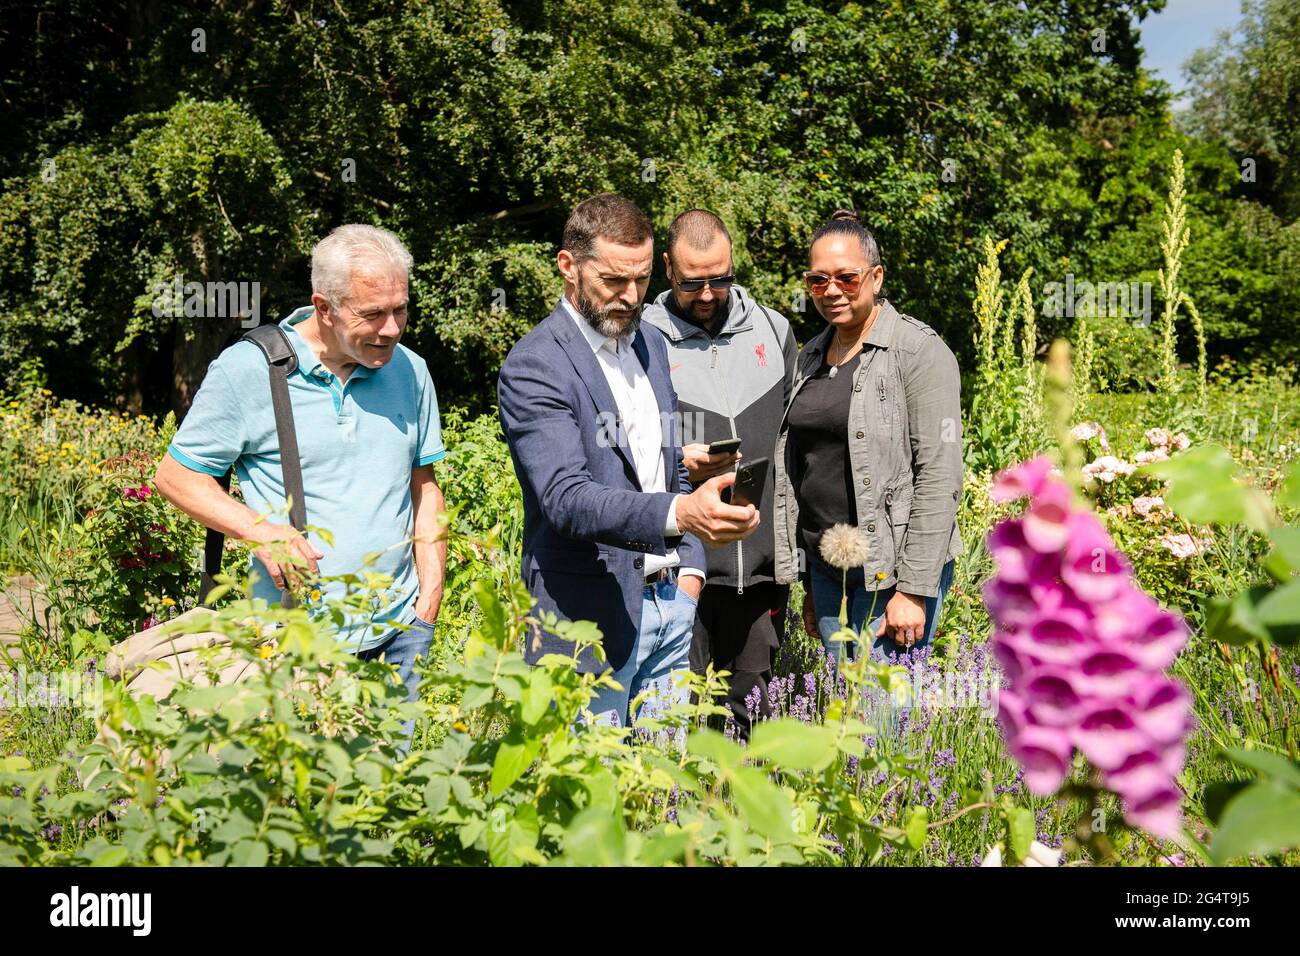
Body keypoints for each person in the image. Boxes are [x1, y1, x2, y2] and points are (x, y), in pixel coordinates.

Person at [154, 224, 447, 745]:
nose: (393, 328)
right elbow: (177, 476)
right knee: (300, 810)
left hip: (399, 633)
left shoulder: (410, 371)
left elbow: (423, 488)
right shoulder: (252, 371)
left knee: (388, 807)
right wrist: (260, 531)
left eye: (400, 309)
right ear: (324, 307)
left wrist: (428, 602)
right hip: (291, 641)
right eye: (373, 314)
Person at [497, 193, 760, 730]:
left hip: (670, 607)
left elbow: (666, 469)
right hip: (583, 624)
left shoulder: (649, 347)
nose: (630, 296)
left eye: (641, 280)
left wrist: (689, 568)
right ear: (568, 267)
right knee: (591, 800)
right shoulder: (535, 365)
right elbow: (566, 499)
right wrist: (683, 515)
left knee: (662, 799)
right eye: (613, 281)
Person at [773, 210, 962, 664]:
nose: (832, 290)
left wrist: (914, 590)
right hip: (829, 567)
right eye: (818, 280)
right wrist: (811, 580)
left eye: (847, 278)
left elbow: (940, 476)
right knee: (844, 714)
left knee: (879, 721)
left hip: (891, 571)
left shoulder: (918, 352)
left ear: (875, 277)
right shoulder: (811, 355)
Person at [641, 209, 796, 737]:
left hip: (758, 570)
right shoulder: (640, 339)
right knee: (677, 721)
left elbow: (794, 443)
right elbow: (615, 443)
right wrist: (677, 458)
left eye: (720, 279)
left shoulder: (775, 331)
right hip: (678, 567)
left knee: (754, 721)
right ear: (667, 269)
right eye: (692, 283)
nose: (708, 294)